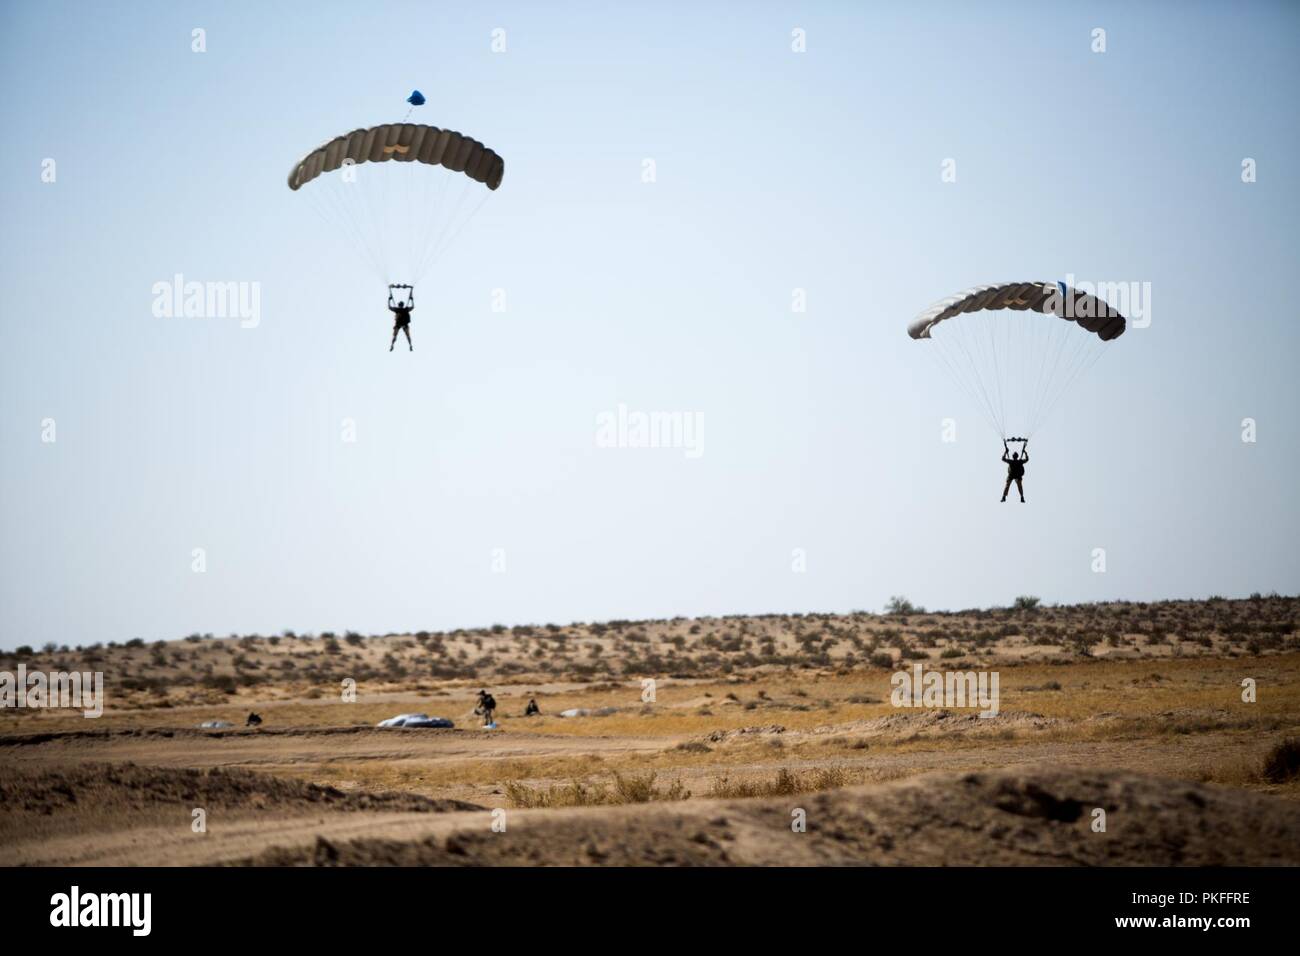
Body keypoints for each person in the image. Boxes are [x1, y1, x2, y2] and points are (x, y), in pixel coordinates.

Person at [1001, 439, 1028, 503]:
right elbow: (1027, 459)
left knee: (1007, 485)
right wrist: (1025, 452)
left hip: (1012, 475)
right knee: (1019, 486)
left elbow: (1003, 459)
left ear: (1013, 457)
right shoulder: (1020, 461)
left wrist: (1005, 452)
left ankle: (1004, 497)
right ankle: (1022, 497)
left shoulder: (1011, 461)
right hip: (1017, 476)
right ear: (1017, 456)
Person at [388, 284, 414, 352]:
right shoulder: (405, 309)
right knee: (405, 335)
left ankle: (393, 345)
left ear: (399, 305)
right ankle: (409, 345)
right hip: (401, 324)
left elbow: (389, 307)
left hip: (401, 324)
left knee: (399, 335)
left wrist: (389, 299)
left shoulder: (399, 309)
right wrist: (411, 299)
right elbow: (412, 307)